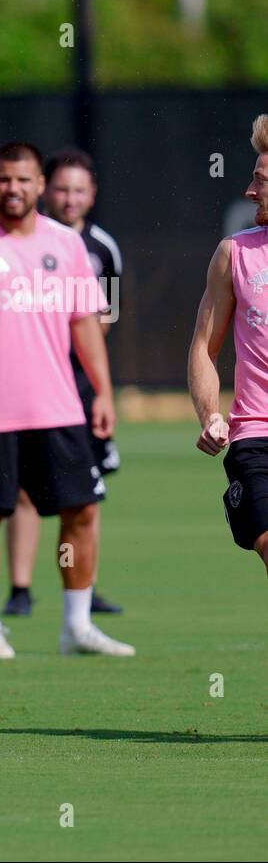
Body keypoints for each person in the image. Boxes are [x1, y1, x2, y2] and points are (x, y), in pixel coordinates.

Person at [0, 141, 135, 660]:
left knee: (82, 511)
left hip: (60, 409)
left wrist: (103, 391)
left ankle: (77, 627)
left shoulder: (66, 245)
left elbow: (85, 323)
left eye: (22, 180)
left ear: (40, 184)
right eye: (3, 179)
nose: (12, 189)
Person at [4, 148, 124, 617]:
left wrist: (70, 324)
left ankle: (82, 590)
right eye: (61, 189)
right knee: (22, 491)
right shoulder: (17, 240)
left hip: (78, 383)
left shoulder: (101, 249)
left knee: (82, 495)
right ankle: (19, 588)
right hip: (26, 381)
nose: (69, 199)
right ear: (42, 189)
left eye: (79, 190)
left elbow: (105, 316)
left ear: (92, 195)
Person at [189, 114, 268, 575]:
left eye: (260, 181)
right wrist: (210, 414)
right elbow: (203, 346)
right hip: (255, 435)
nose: (249, 191)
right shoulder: (234, 253)